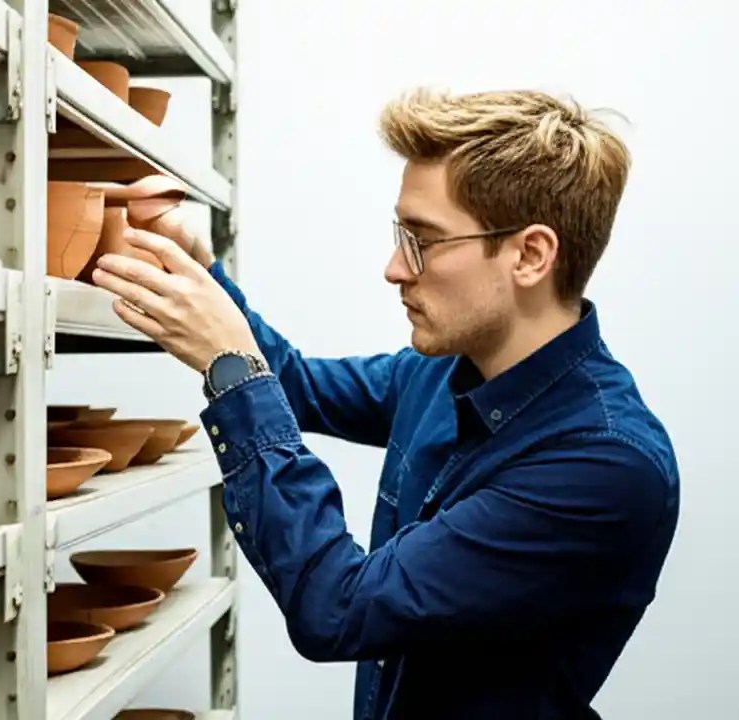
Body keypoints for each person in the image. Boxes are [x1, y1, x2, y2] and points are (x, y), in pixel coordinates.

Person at [89, 87, 680, 720]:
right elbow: (296, 385)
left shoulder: (604, 466)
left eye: (423, 240)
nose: (394, 268)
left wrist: (231, 367)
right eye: (401, 233)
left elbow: (338, 607)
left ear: (530, 255)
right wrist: (199, 269)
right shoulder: (442, 372)